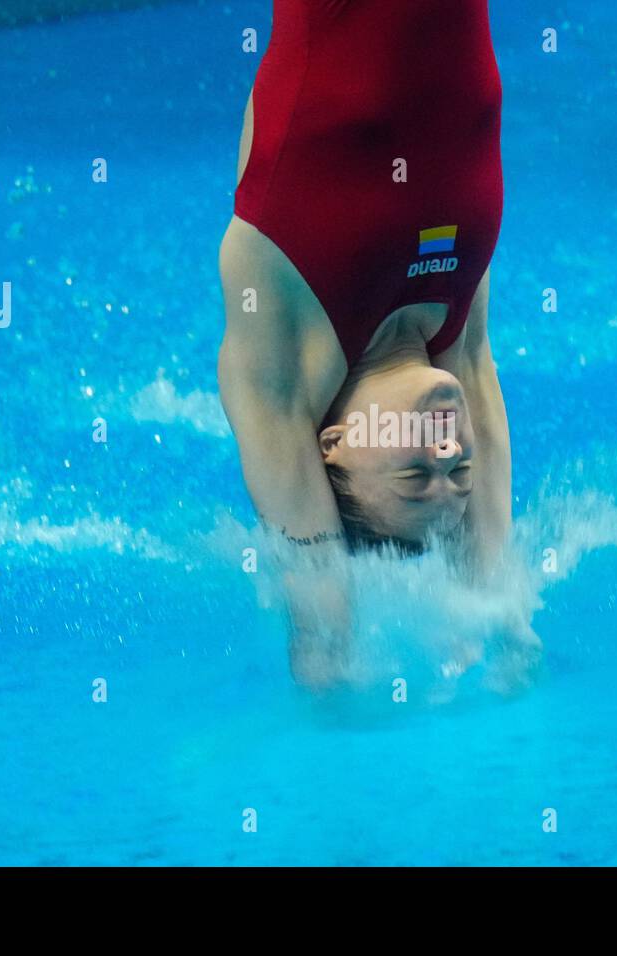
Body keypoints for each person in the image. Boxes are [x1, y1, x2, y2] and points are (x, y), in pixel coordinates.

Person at [217, 0, 532, 687]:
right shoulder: (453, 328)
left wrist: (327, 663)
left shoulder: (288, 338)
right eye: (458, 471)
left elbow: (317, 587)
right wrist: (502, 623)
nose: (449, 452)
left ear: (330, 448)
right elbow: (491, 554)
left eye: (416, 475)